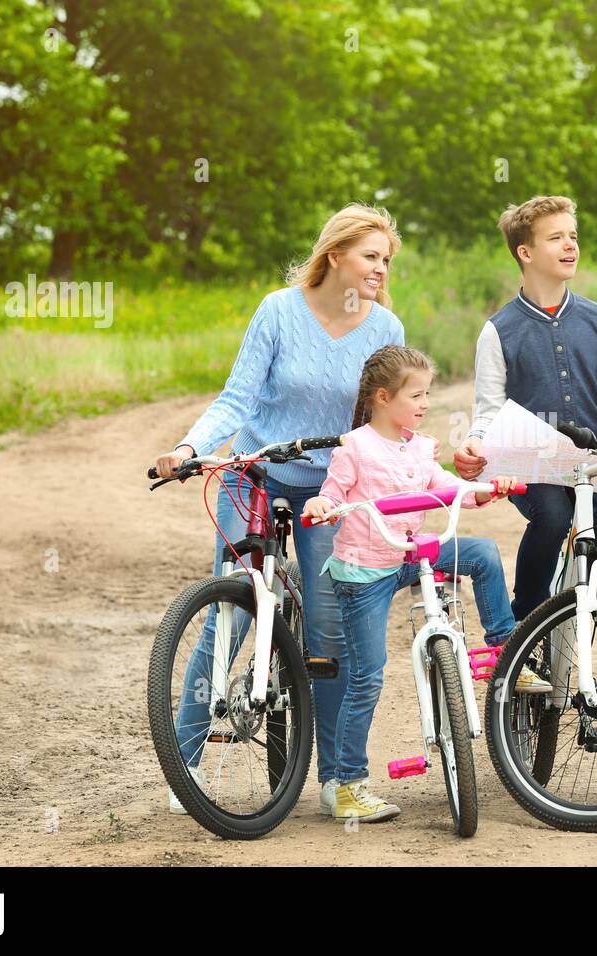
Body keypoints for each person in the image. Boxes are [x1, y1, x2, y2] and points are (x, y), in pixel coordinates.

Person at [152, 203, 407, 815]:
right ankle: (183, 766)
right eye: (371, 256)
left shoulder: (385, 329)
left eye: (387, 260)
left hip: (331, 489)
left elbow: (383, 418)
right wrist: (191, 447)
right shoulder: (277, 310)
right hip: (258, 473)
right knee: (230, 613)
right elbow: (238, 397)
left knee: (328, 632)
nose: (380, 268)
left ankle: (339, 783)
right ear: (335, 254)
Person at [453, 195, 597, 796]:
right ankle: (524, 630)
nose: (571, 245)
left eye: (574, 235)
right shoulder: (498, 329)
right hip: (537, 471)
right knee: (549, 512)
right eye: (557, 238)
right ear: (526, 252)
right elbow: (489, 411)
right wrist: (475, 448)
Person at [303, 345, 519, 822]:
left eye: (428, 394)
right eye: (416, 395)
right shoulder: (354, 447)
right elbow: (332, 493)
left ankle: (506, 648)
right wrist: (322, 507)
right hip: (364, 569)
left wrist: (484, 491)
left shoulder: (420, 447)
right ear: (383, 397)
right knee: (367, 675)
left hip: (410, 552)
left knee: (481, 554)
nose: (424, 404)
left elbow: (441, 485)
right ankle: (347, 784)